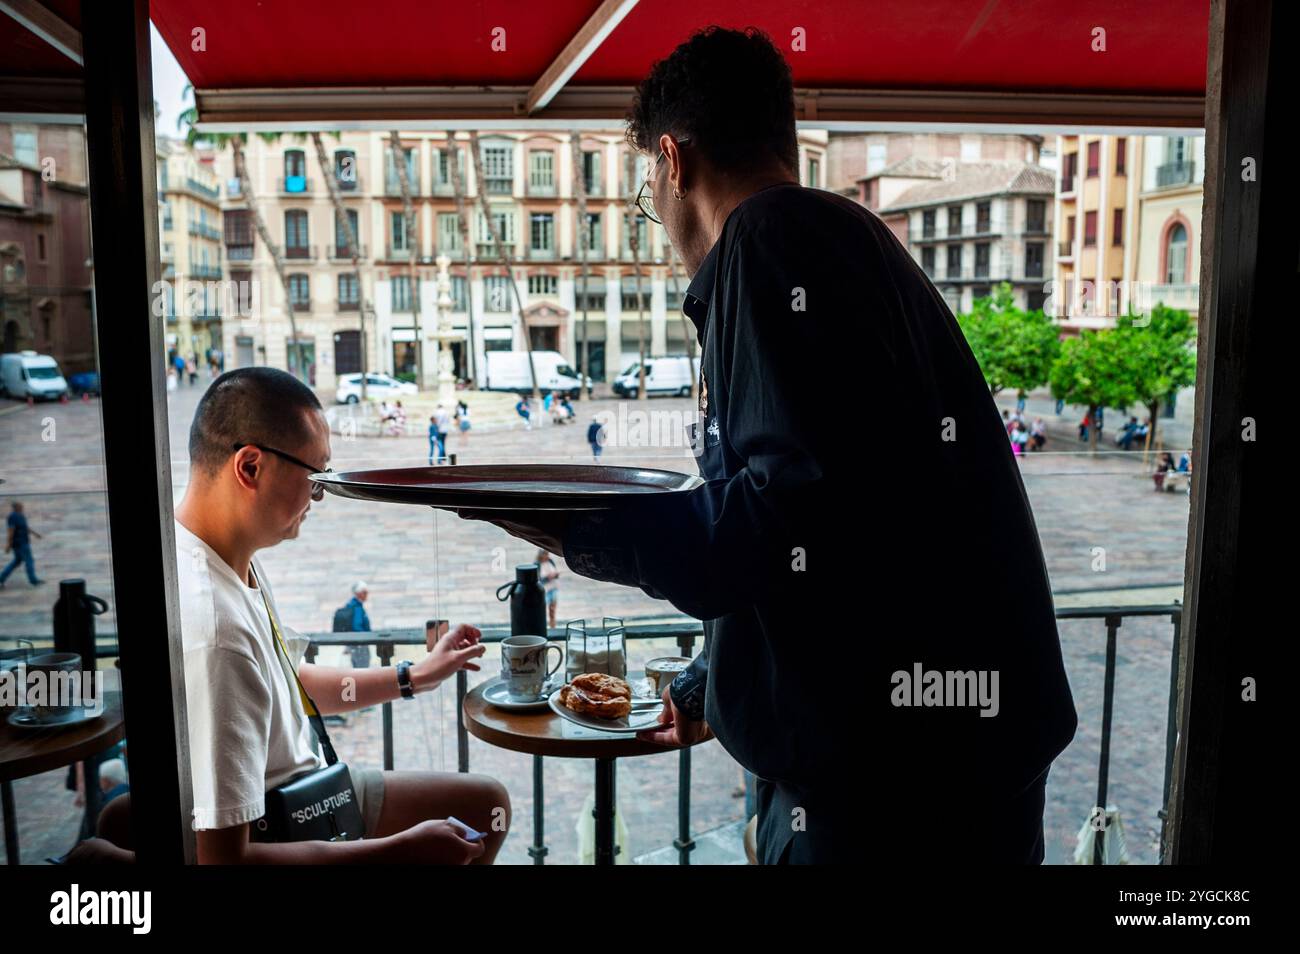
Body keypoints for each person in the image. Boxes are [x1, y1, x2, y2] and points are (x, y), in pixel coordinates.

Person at [459, 27, 1076, 865]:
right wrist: (711, 679)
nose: (659, 215)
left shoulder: (766, 240)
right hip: (950, 763)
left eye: (650, 189)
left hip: (891, 793)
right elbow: (842, 519)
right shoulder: (847, 239)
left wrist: (577, 527)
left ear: (674, 162)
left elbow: (786, 518)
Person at [72, 368, 509, 864]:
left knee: (484, 803)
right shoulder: (216, 629)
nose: (317, 497)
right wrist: (398, 851)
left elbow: (284, 683)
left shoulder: (221, 556)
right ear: (251, 467)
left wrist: (415, 675)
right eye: (314, 477)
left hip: (304, 785)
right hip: (279, 813)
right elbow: (225, 862)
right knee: (482, 811)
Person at [1, 501, 45, 588]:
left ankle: (1, 578)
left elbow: (25, 527)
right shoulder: (12, 517)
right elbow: (11, 531)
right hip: (19, 543)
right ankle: (33, 580)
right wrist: (8, 545)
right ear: (16, 507)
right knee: (29, 561)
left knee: (17, 561)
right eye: (20, 506)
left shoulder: (21, 515)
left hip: (24, 542)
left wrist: (35, 534)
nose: (22, 508)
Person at [536, 549, 561, 630]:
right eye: (546, 555)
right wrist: (548, 577)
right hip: (545, 590)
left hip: (554, 587)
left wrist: (555, 575)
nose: (547, 556)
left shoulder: (550, 561)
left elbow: (555, 573)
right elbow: (538, 580)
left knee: (552, 610)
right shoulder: (537, 565)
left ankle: (552, 626)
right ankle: (541, 626)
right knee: (542, 609)